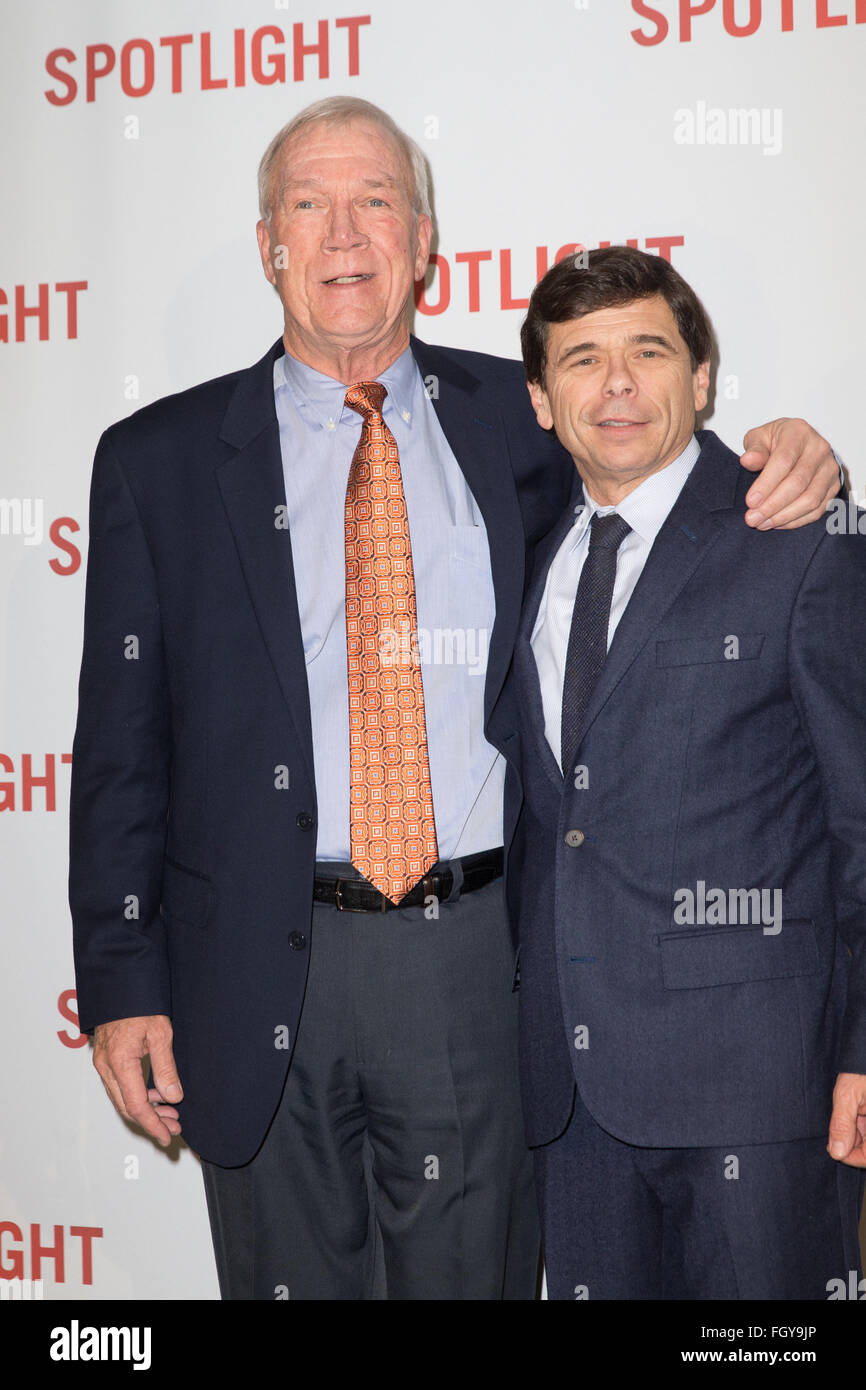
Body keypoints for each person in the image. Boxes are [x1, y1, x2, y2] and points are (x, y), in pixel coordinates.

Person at [69, 97, 841, 1301]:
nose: (343, 234)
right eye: (309, 205)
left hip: (478, 962)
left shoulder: (517, 420)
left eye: (374, 201)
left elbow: (650, 466)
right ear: (267, 241)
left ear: (423, 240)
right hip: (260, 965)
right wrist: (122, 985)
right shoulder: (155, 461)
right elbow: (120, 748)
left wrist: (789, 452)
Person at [489, 243, 866, 1300]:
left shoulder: (797, 535)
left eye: (646, 352)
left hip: (759, 1090)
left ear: (700, 379)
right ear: (539, 398)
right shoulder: (525, 548)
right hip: (569, 1095)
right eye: (580, 360)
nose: (614, 385)